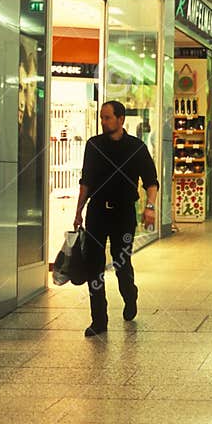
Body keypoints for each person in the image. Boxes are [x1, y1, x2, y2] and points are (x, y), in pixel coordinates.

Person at [74, 101, 158, 338]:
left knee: (121, 263)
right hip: (97, 212)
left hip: (123, 214)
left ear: (121, 119)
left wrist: (150, 207)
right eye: (102, 118)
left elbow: (151, 182)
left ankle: (130, 295)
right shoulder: (93, 145)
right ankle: (98, 319)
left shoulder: (136, 147)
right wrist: (78, 212)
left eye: (108, 118)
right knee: (94, 266)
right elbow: (86, 182)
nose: (103, 122)